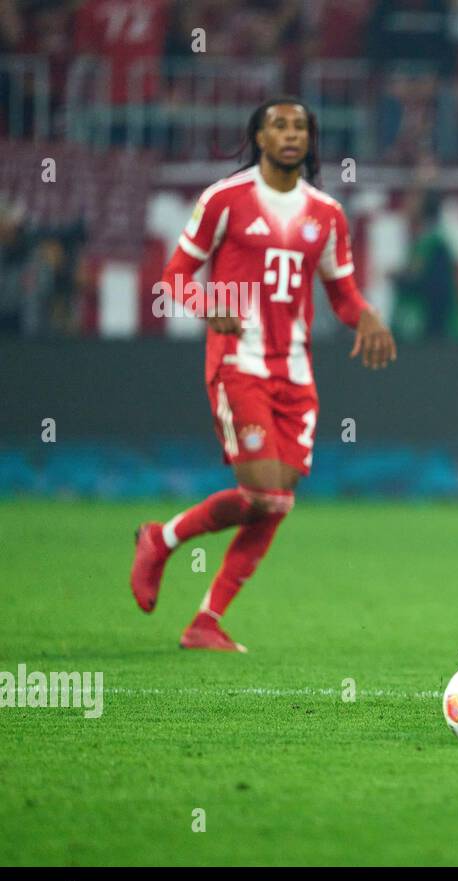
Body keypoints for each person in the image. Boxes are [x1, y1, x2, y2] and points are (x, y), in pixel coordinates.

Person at [130, 97, 397, 652]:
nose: (291, 133)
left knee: (275, 502)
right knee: (261, 493)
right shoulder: (225, 199)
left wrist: (366, 318)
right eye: (279, 124)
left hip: (295, 372)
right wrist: (207, 305)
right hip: (238, 364)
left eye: (300, 126)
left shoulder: (326, 213)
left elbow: (341, 294)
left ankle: (206, 619)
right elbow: (174, 276)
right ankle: (163, 538)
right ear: (258, 137)